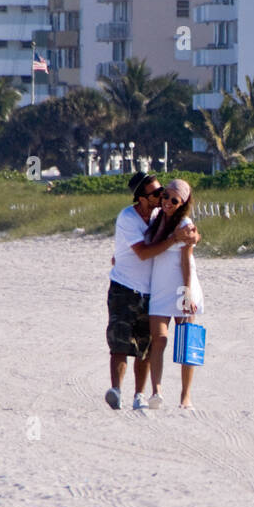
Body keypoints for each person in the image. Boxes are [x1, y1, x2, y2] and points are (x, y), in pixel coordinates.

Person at [105, 172, 197, 410]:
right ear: (142, 198)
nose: (162, 197)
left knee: (151, 346)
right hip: (128, 288)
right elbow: (144, 253)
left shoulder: (160, 215)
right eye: (158, 194)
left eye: (164, 194)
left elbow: (187, 238)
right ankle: (117, 390)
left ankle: (144, 395)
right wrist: (176, 238)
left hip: (157, 290)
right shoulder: (129, 217)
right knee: (122, 341)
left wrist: (192, 237)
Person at [145, 179, 204, 410]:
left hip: (182, 288)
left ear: (183, 203)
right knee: (159, 339)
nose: (167, 202)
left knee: (187, 341)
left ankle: (185, 396)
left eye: (174, 200)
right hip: (160, 289)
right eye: (165, 196)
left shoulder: (185, 224)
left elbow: (186, 260)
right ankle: (156, 392)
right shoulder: (155, 218)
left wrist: (188, 292)